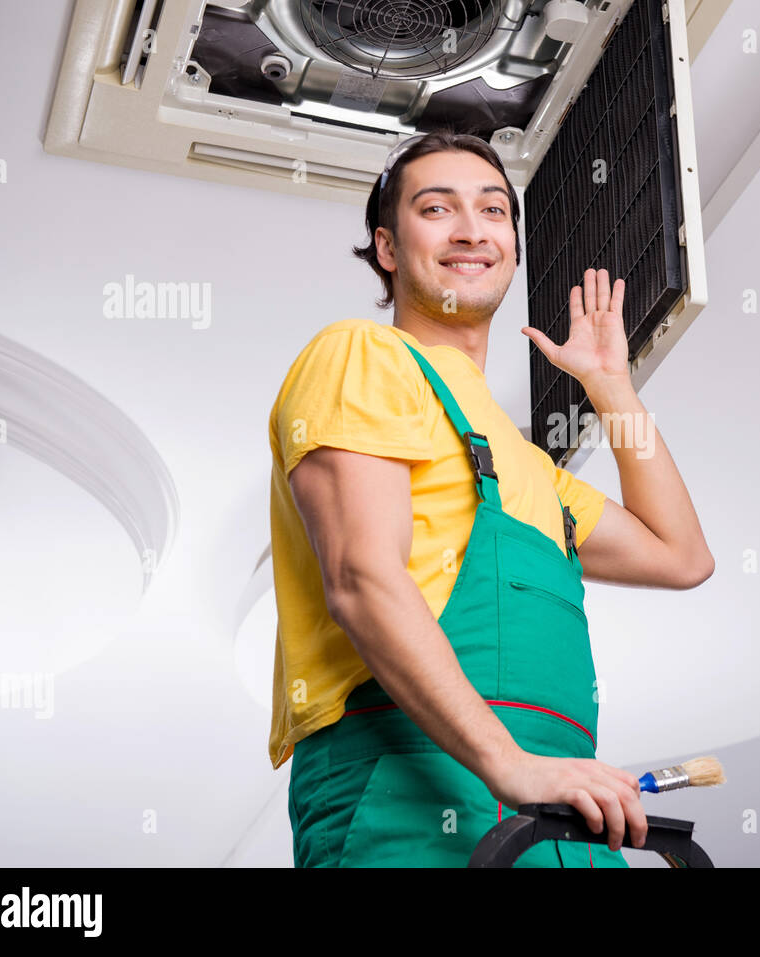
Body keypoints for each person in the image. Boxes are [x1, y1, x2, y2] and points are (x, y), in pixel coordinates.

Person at [268, 127, 715, 867]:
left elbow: (682, 554)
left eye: (494, 210)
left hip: (565, 805)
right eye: (437, 209)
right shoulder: (362, 356)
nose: (472, 229)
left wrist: (610, 387)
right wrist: (505, 762)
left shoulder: (531, 468)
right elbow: (363, 579)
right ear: (386, 246)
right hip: (408, 788)